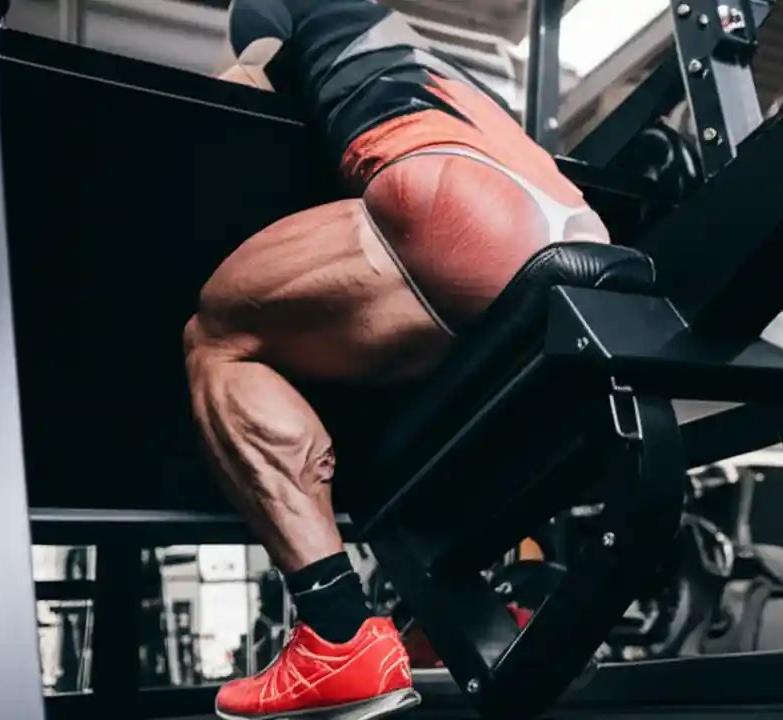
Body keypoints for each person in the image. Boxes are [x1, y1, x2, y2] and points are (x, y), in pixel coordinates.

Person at [184, 1, 610, 717]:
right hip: (578, 229)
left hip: (462, 206)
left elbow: (229, 102)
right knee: (442, 406)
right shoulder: (424, 54)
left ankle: (336, 633)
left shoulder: (281, 5)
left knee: (217, 337)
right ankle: (452, 617)